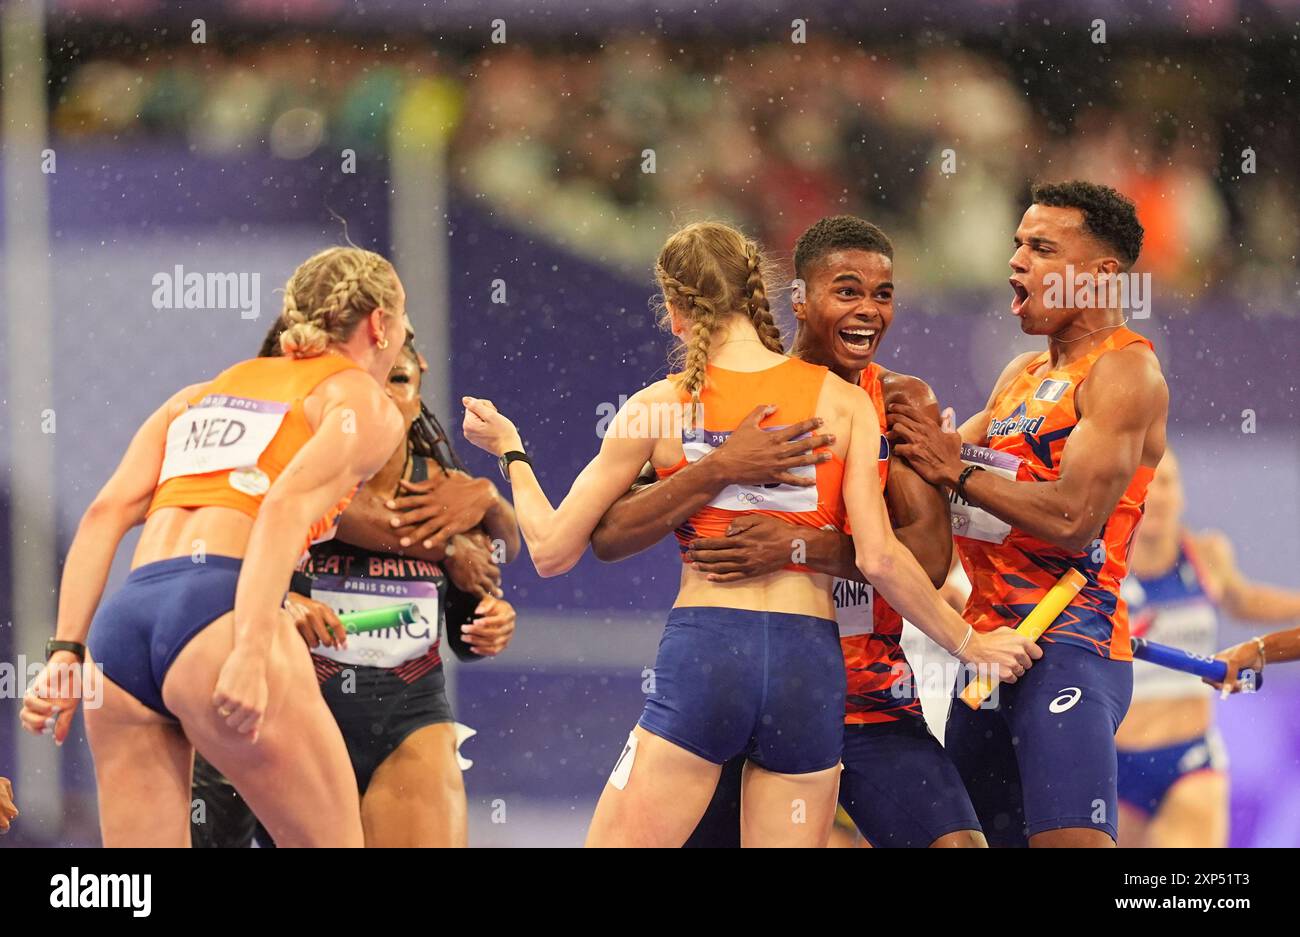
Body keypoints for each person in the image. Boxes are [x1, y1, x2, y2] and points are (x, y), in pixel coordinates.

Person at [460, 220, 1037, 847]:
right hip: (808, 669)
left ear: (677, 312)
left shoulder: (660, 405)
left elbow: (550, 551)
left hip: (710, 654)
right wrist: (969, 643)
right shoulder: (845, 405)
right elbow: (882, 559)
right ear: (763, 293)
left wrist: (510, 451)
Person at [590, 216, 985, 847]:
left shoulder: (900, 401)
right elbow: (608, 530)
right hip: (746, 693)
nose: (868, 312)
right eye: (847, 291)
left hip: (867, 701)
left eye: (883, 295)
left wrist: (797, 547)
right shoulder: (728, 396)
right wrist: (716, 468)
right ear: (798, 300)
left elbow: (930, 561)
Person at [20, 246, 409, 847]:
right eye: (404, 323)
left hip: (123, 633)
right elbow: (282, 507)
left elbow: (103, 514)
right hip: (222, 616)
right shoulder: (361, 402)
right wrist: (252, 652)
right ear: (380, 325)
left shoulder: (197, 395)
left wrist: (66, 653)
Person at [890, 180, 1168, 847]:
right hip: (985, 657)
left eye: (1041, 248)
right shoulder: (1018, 374)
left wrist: (954, 468)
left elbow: (1073, 517)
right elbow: (936, 465)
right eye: (1018, 244)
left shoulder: (1124, 373)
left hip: (1070, 649)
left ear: (1101, 275)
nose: (1016, 261)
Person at [191, 332, 520, 848]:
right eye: (370, 383)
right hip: (293, 711)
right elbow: (212, 570)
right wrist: (282, 603)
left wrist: (488, 621)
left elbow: (467, 625)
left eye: (400, 382)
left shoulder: (445, 489)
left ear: (420, 388)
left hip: (408, 716)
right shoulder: (286, 472)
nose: (385, 399)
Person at [1115, 449, 1300, 846]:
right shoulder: (1098, 568)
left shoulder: (1207, 553)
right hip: (1112, 765)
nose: (1158, 495)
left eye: (1167, 482)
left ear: (1181, 494)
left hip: (1191, 761)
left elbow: (1243, 600)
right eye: (1145, 482)